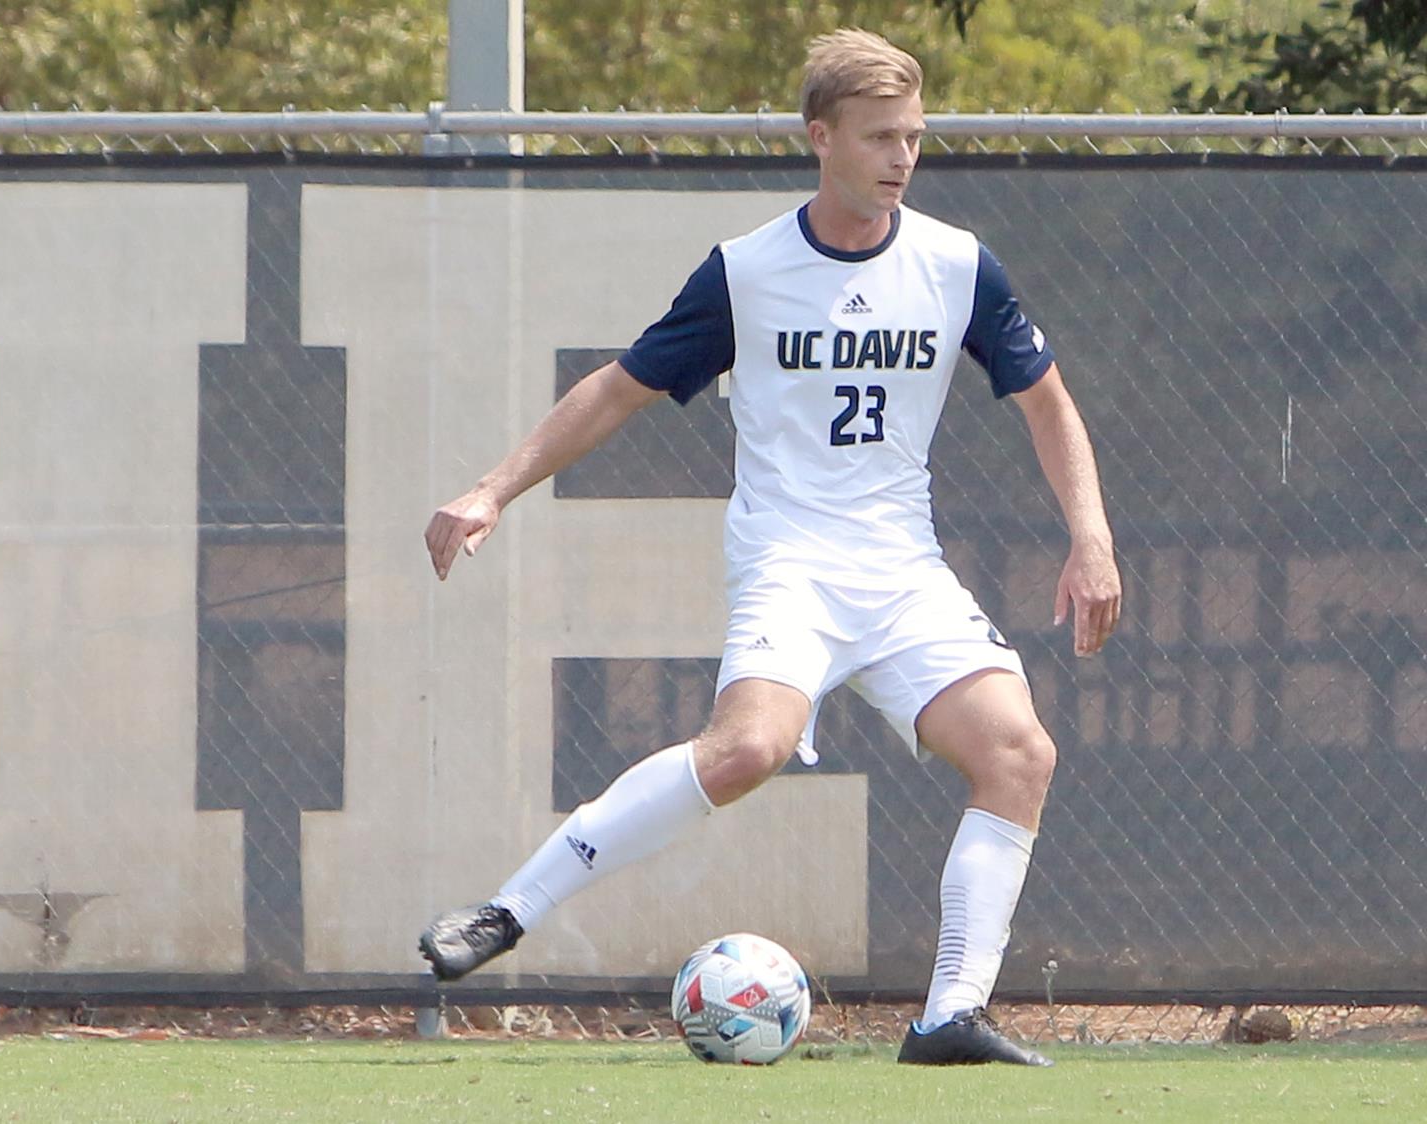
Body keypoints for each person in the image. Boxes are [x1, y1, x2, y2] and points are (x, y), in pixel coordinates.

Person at [417, 27, 1121, 1067]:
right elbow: (618, 389)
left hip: (903, 571)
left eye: (913, 136)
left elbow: (1047, 403)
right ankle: (506, 910)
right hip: (790, 562)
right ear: (819, 137)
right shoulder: (746, 272)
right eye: (878, 136)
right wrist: (492, 489)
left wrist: (1090, 537)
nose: (901, 157)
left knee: (1019, 753)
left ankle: (950, 1017)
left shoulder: (955, 264)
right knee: (746, 750)